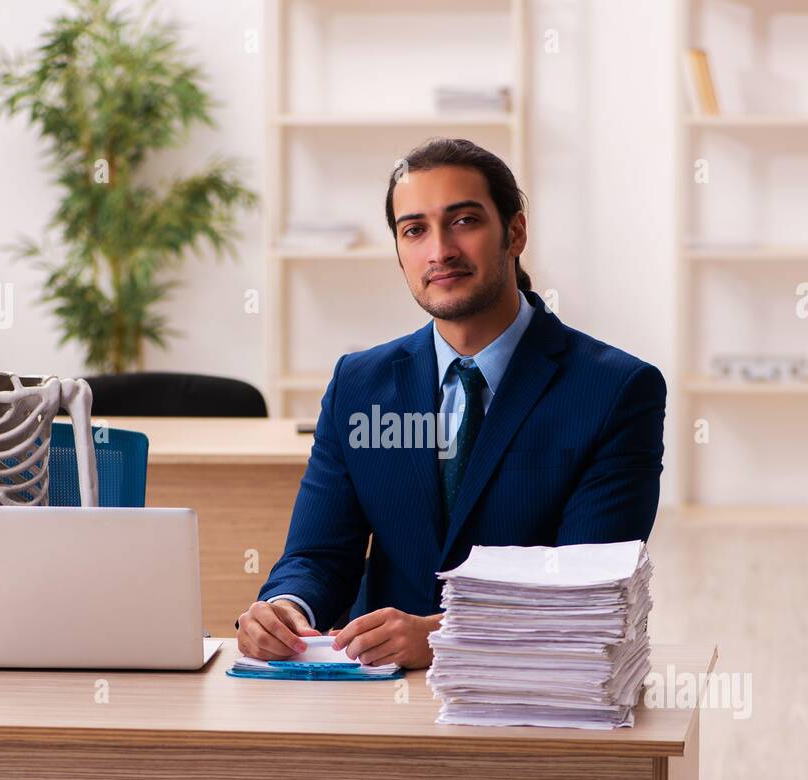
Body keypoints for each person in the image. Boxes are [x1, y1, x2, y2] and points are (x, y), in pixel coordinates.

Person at [237, 137, 665, 670]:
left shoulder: (616, 390)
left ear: (515, 232)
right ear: (398, 251)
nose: (439, 251)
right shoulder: (359, 384)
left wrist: (445, 634)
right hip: (376, 695)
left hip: (538, 693)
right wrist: (285, 608)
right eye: (414, 230)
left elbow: (585, 588)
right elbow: (318, 555)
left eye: (464, 221)